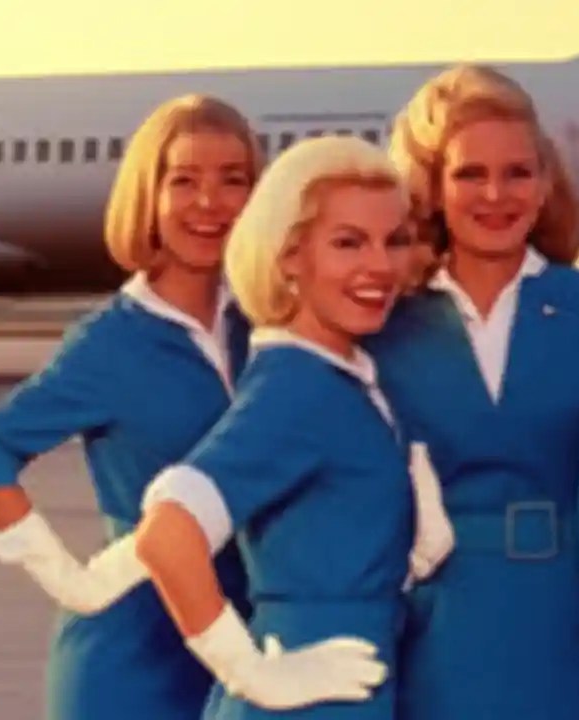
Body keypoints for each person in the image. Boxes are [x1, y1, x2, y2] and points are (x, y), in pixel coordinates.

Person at [0, 94, 262, 719]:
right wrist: (71, 580)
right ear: (149, 196)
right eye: (184, 181)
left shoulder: (267, 323)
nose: (210, 202)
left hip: (253, 638)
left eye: (233, 181)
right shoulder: (110, 342)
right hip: (137, 655)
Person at [365, 64, 579, 720]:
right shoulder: (383, 324)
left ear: (547, 183)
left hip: (575, 629)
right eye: (470, 173)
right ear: (431, 187)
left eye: (518, 172)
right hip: (428, 638)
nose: (496, 194)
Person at [134, 134, 420, 719]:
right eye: (348, 243)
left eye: (394, 241)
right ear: (289, 255)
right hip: (310, 694)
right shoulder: (296, 387)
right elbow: (167, 534)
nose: (380, 266)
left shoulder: (340, 379)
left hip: (353, 681)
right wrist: (256, 674)